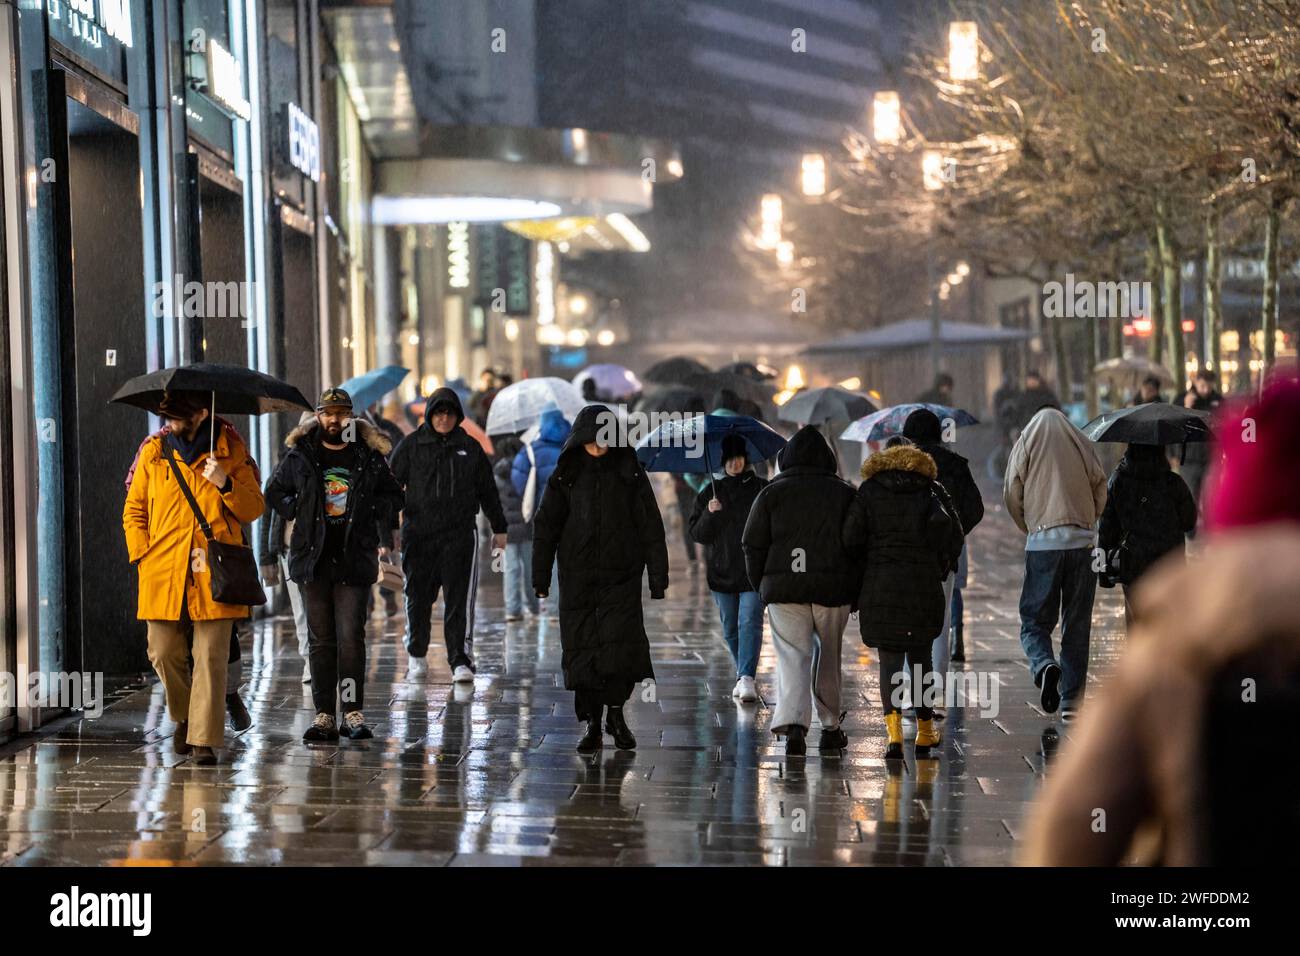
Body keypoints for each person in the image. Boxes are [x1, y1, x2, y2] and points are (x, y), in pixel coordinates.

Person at [1022, 376, 1300, 864]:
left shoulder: (1184, 644)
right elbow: (1188, 520)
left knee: (1141, 631)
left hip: (1145, 576)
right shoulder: (1171, 483)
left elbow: (1070, 832)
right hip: (1169, 558)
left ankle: (1084, 682)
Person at [122, 390, 265, 765]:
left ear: (202, 413)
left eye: (179, 416)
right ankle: (185, 716)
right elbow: (134, 509)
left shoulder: (230, 449)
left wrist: (225, 483)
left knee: (210, 655)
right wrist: (142, 554)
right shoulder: (153, 451)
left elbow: (254, 507)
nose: (170, 423)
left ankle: (203, 740)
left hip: (214, 571)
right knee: (163, 651)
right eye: (167, 416)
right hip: (162, 569)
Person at [265, 388, 403, 742]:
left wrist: (375, 516)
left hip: (353, 559)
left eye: (341, 414)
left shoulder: (366, 455)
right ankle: (324, 714)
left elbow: (394, 494)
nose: (334, 420)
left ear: (351, 417)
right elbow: (274, 490)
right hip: (314, 560)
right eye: (328, 413)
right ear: (319, 416)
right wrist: (296, 509)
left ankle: (351, 712)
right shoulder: (303, 454)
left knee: (350, 638)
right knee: (321, 640)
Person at [532, 405, 669, 754]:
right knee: (583, 653)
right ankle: (592, 723)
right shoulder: (566, 474)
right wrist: (540, 576)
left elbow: (650, 525)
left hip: (620, 578)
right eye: (591, 438)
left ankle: (616, 715)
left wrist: (658, 576)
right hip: (577, 579)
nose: (597, 445)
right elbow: (546, 527)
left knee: (620, 652)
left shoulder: (630, 472)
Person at [742, 425, 859, 756]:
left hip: (784, 591)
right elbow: (857, 544)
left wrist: (763, 586)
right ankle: (831, 727)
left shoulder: (770, 494)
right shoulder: (845, 493)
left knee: (793, 656)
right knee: (830, 657)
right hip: (833, 591)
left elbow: (752, 544)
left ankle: (794, 725)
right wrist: (855, 589)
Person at [843, 442, 963, 760]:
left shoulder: (869, 491)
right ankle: (925, 731)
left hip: (881, 584)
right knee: (921, 658)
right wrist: (938, 566)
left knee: (890, 661)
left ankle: (894, 734)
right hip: (922, 583)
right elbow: (954, 534)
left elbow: (850, 537)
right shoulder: (930, 488)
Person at [391, 387, 507, 683]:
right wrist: (388, 529)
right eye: (439, 413)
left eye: (449, 413)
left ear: (457, 416)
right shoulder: (411, 446)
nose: (444, 418)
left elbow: (487, 490)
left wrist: (500, 527)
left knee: (459, 599)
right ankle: (417, 655)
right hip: (419, 536)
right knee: (417, 597)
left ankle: (460, 659)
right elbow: (390, 489)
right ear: (430, 414)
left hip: (459, 536)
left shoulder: (469, 447)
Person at [1004, 404, 1106, 723]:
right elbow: (1100, 485)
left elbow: (1011, 491)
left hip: (1043, 543)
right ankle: (1071, 702)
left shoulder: (1026, 441)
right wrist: (1088, 521)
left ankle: (1045, 665)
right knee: (1077, 623)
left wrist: (1029, 527)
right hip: (1082, 544)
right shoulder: (1080, 440)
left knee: (1034, 620)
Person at [688, 434, 768, 702]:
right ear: (723, 461)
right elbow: (698, 534)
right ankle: (742, 673)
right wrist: (711, 513)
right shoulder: (712, 491)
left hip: (754, 571)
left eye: (739, 458)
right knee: (730, 628)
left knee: (750, 621)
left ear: (746, 460)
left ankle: (747, 678)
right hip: (722, 572)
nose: (735, 463)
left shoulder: (761, 488)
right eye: (730, 459)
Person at [902, 408, 984, 668]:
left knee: (908, 620)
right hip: (945, 556)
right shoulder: (956, 465)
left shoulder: (901, 465)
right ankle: (935, 690)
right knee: (941, 617)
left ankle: (908, 690)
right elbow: (975, 509)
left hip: (908, 556)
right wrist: (955, 534)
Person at [1097, 443, 1197, 628]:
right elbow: (1188, 522)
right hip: (1169, 565)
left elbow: (1106, 528)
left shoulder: (1118, 481)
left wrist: (1103, 572)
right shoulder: (1173, 483)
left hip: (1132, 565)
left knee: (1137, 626)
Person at [258, 411, 316, 684]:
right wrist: (267, 555)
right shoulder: (287, 464)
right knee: (301, 609)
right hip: (290, 549)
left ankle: (324, 660)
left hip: (321, 548)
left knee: (321, 608)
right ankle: (310, 661)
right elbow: (268, 511)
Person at [512, 405, 571, 610]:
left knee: (542, 556)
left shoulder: (531, 450)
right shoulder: (571, 448)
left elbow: (518, 480)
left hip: (540, 512)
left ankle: (545, 603)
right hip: (567, 512)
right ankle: (560, 603)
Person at [493, 434, 536, 622]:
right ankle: (533, 607)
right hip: (526, 527)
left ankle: (512, 609)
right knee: (529, 569)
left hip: (506, 530)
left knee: (510, 569)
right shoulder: (526, 471)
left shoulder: (496, 475)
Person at [1179, 368, 1223, 519]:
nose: (1206, 390)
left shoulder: (1219, 400)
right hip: (1189, 459)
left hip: (1212, 458)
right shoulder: (1182, 399)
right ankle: (1190, 533)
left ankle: (1212, 533)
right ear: (1195, 382)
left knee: (1211, 496)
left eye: (1209, 386)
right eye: (1203, 385)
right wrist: (1186, 408)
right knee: (1190, 497)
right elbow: (1174, 426)